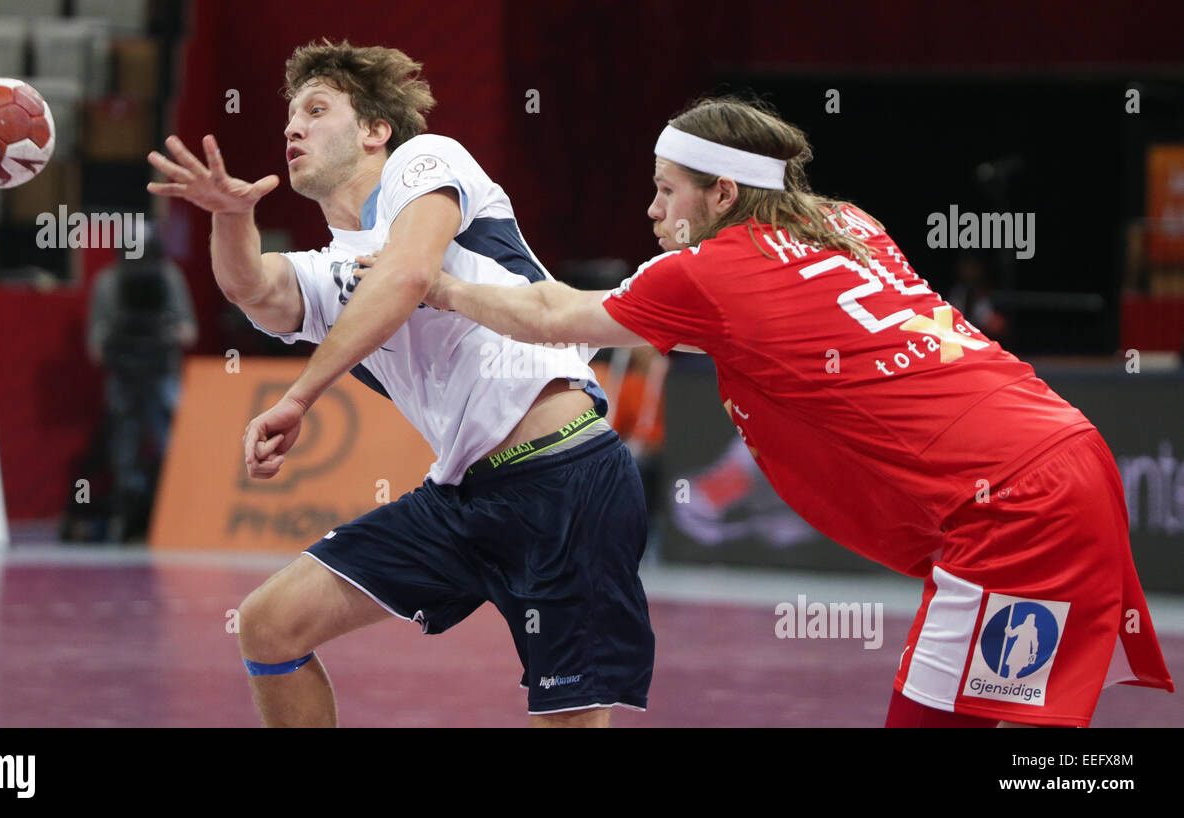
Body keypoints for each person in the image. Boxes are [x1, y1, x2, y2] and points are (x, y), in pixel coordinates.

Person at [418, 96, 1174, 727]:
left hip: (1010, 507)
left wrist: (439, 287)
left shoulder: (705, 273)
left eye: (667, 188)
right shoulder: (849, 221)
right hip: (1065, 457)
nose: (651, 209)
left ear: (723, 194)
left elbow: (553, 311)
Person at [146, 40, 653, 727]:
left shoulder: (426, 162)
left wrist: (298, 398)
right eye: (289, 117)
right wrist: (232, 218)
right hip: (463, 497)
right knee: (268, 625)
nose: (293, 127)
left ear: (375, 130)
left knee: (566, 718)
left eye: (317, 109)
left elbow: (410, 274)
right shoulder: (331, 272)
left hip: (564, 478)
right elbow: (254, 291)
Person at [87, 230, 198, 540]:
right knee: (124, 446)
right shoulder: (108, 282)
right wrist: (123, 343)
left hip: (162, 375)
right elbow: (96, 347)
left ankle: (173, 512)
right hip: (124, 378)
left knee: (169, 442)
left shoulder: (168, 277)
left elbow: (188, 331)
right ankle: (127, 512)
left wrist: (159, 337)